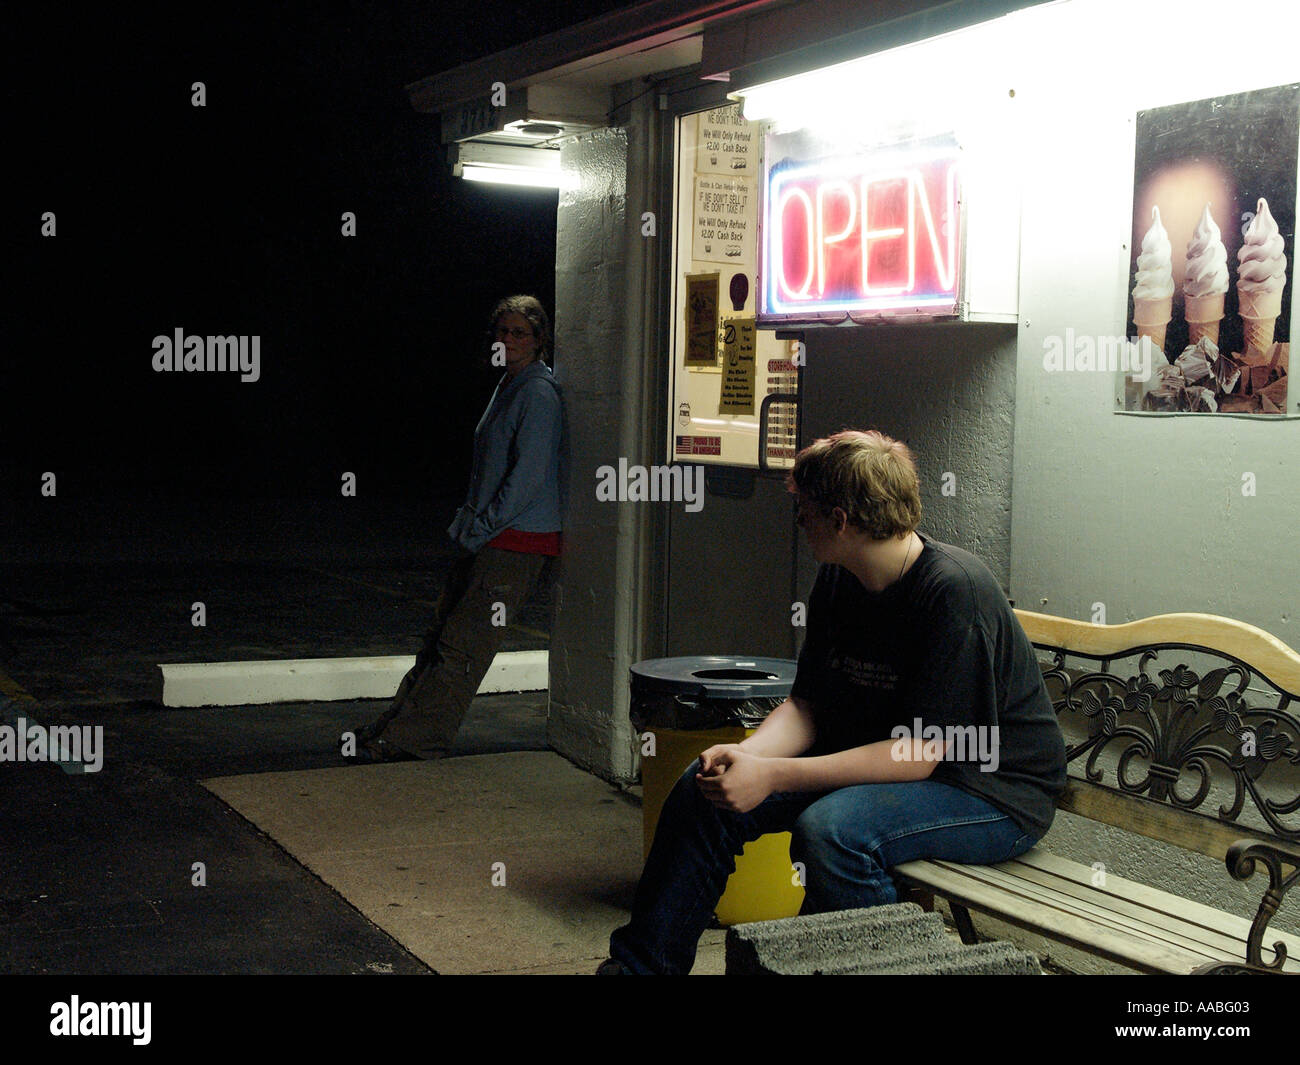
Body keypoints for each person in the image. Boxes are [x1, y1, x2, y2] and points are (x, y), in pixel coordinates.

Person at [600, 429, 1067, 973]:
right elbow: (807, 707)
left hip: (989, 791)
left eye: (806, 512)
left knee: (833, 832)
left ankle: (861, 964)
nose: (799, 524)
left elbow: (918, 755)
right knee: (701, 794)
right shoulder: (841, 579)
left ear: (841, 520)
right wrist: (751, 757)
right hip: (886, 765)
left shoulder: (953, 592)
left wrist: (773, 777)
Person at [343, 295, 563, 762]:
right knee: (441, 639)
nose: (506, 340)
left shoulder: (538, 393)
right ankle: (396, 726)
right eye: (501, 331)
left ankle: (416, 740)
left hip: (516, 541)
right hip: (488, 536)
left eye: (518, 333)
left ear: (540, 340)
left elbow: (529, 477)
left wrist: (483, 524)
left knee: (464, 646)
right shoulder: (509, 384)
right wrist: (472, 526)